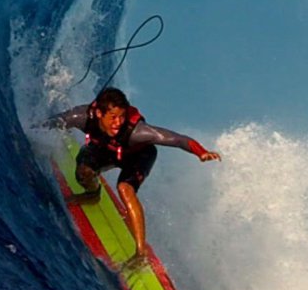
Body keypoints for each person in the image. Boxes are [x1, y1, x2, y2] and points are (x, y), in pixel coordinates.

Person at [45, 87, 220, 262]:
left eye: (121, 116)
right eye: (113, 117)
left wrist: (201, 152)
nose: (118, 122)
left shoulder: (137, 131)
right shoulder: (82, 117)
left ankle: (140, 253)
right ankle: (92, 194)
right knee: (83, 172)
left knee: (124, 188)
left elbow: (178, 139)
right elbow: (54, 122)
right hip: (105, 151)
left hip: (139, 156)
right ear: (99, 113)